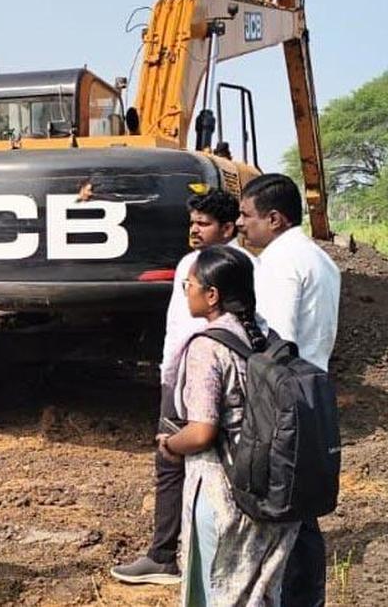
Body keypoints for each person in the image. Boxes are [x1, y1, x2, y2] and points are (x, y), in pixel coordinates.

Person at [112, 190, 248, 585]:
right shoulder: (212, 262)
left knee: (172, 461)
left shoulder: (216, 267)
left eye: (204, 224)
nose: (194, 230)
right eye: (192, 222)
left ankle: (163, 555)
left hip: (197, 377)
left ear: (228, 228)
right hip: (182, 374)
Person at [160, 246, 300, 605]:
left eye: (188, 284)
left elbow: (202, 431)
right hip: (271, 488)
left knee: (217, 592)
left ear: (212, 295)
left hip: (223, 492)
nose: (185, 291)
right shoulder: (266, 338)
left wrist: (171, 445)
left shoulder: (207, 347)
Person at [237, 174, 341, 607]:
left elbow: (277, 343)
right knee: (303, 505)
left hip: (283, 398)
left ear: (275, 219)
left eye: (247, 216)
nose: (240, 225)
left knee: (283, 506)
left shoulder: (280, 262)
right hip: (313, 389)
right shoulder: (320, 259)